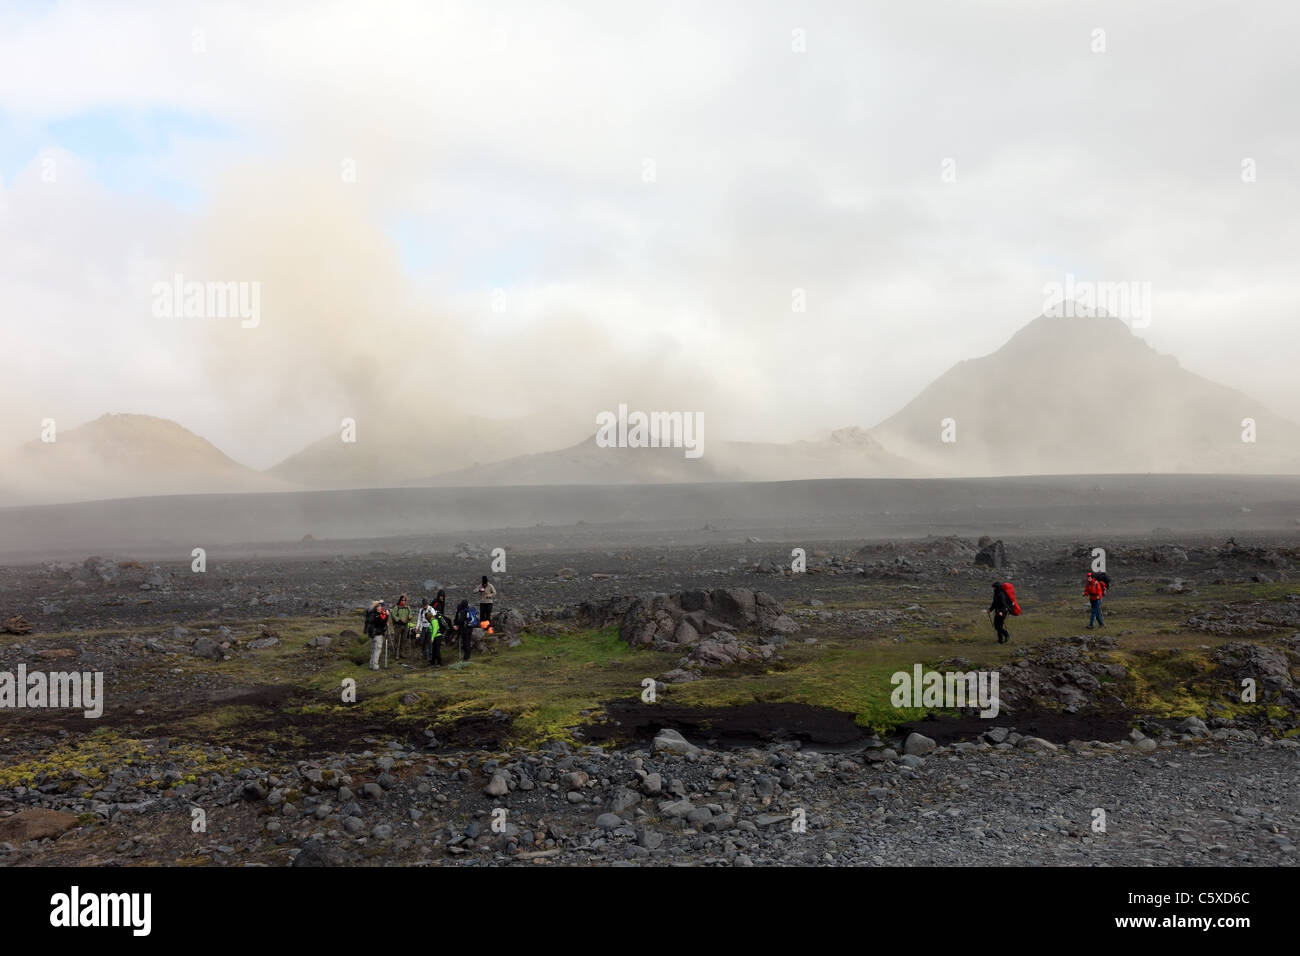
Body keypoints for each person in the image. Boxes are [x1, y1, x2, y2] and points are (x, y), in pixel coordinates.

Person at [365, 599, 390, 670]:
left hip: (373, 634)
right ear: (376, 608)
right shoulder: (376, 615)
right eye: (379, 606)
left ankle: (371, 665)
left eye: (380, 606)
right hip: (378, 634)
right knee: (377, 650)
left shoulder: (372, 614)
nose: (381, 608)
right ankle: (375, 666)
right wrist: (387, 616)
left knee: (373, 650)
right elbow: (382, 623)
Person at [391, 594, 413, 660]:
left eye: (405, 600)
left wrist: (410, 616)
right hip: (398, 626)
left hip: (405, 625)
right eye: (403, 600)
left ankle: (402, 653)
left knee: (404, 640)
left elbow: (410, 613)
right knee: (396, 640)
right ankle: (396, 654)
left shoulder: (408, 607)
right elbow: (393, 615)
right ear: (400, 600)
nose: (404, 601)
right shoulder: (396, 607)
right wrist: (399, 619)